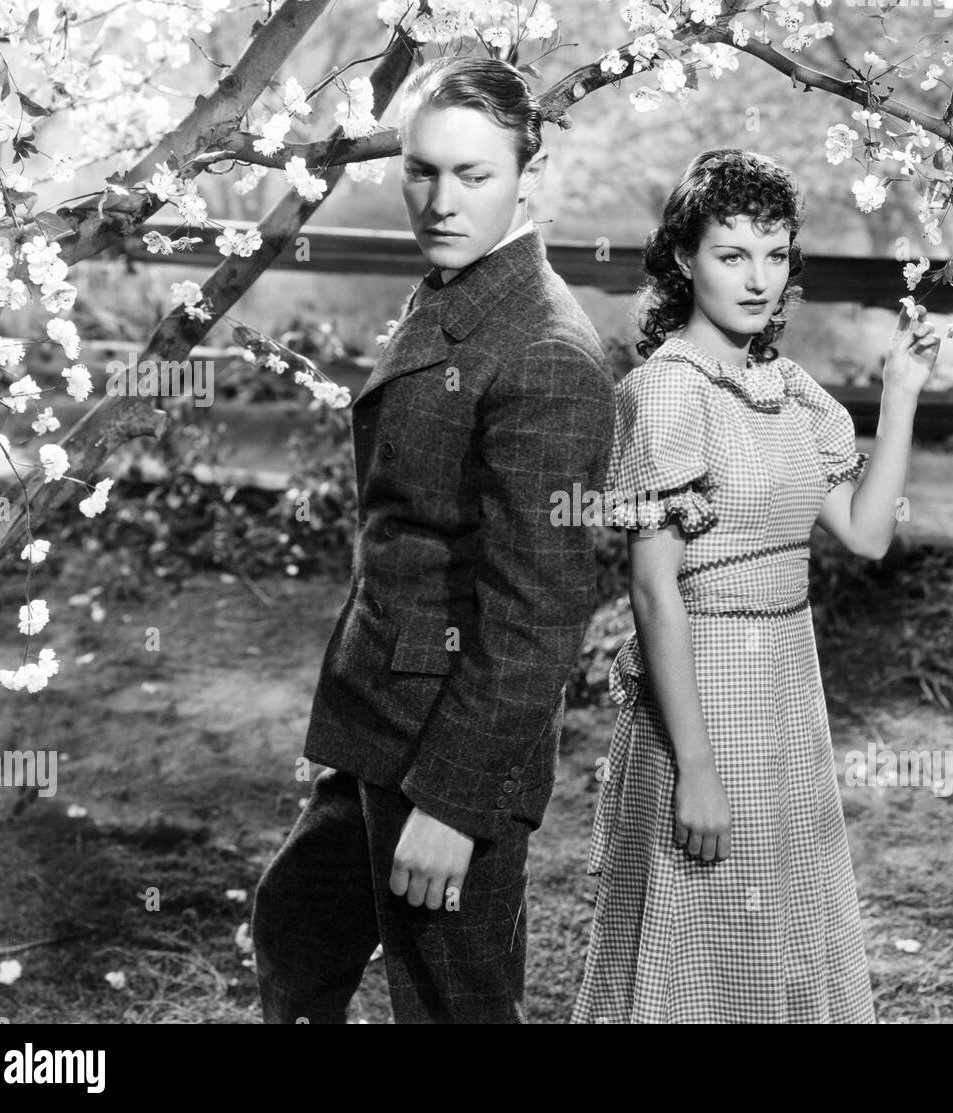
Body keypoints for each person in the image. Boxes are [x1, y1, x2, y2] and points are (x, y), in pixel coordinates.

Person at [252, 55, 615, 1024]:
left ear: (527, 182)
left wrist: (453, 806)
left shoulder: (543, 351)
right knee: (295, 925)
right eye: (421, 171)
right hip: (381, 713)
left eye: (473, 176)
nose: (440, 200)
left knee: (452, 1005)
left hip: (450, 745)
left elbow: (537, 616)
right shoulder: (454, 293)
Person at [572, 148, 940, 1023]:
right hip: (703, 695)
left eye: (774, 254)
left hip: (787, 690)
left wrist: (901, 397)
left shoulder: (792, 392)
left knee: (777, 923)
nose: (757, 277)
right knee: (696, 928)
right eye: (732, 254)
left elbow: (867, 532)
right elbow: (656, 592)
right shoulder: (665, 394)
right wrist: (696, 768)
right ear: (684, 260)